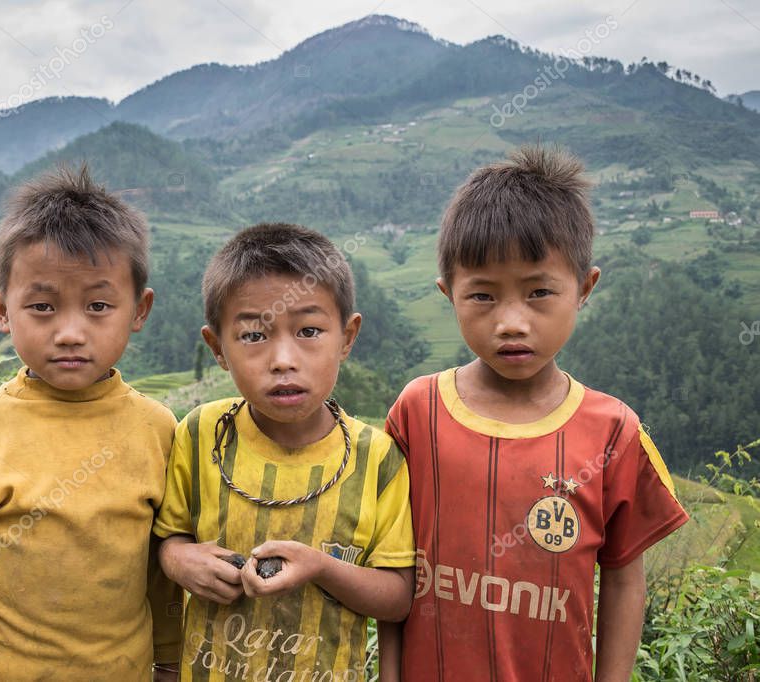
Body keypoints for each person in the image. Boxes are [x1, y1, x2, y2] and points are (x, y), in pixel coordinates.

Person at [384, 146, 689, 681]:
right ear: (447, 294)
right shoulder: (418, 412)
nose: (511, 322)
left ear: (585, 289)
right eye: (482, 296)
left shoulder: (613, 431)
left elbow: (622, 579)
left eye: (539, 292)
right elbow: (390, 564)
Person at [0, 165, 183, 681]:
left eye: (98, 306)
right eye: (42, 306)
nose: (70, 333)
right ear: (3, 310)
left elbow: (162, 567)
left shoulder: (158, 429)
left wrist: (169, 661)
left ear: (139, 310)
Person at [154, 222, 415, 680]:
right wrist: (180, 560)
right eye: (253, 336)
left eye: (310, 330)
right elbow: (169, 538)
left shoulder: (378, 460)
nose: (283, 360)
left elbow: (396, 598)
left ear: (347, 337)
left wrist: (320, 567)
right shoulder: (199, 434)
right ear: (217, 348)